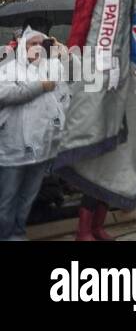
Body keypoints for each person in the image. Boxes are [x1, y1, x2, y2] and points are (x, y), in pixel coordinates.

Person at [0, 29, 69, 241]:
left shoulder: (53, 69)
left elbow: (65, 99)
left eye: (42, 43)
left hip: (43, 150)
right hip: (13, 149)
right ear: (23, 47)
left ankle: (18, 234)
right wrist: (40, 86)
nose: (37, 47)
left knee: (27, 197)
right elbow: (4, 94)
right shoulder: (8, 69)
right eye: (32, 44)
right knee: (7, 199)